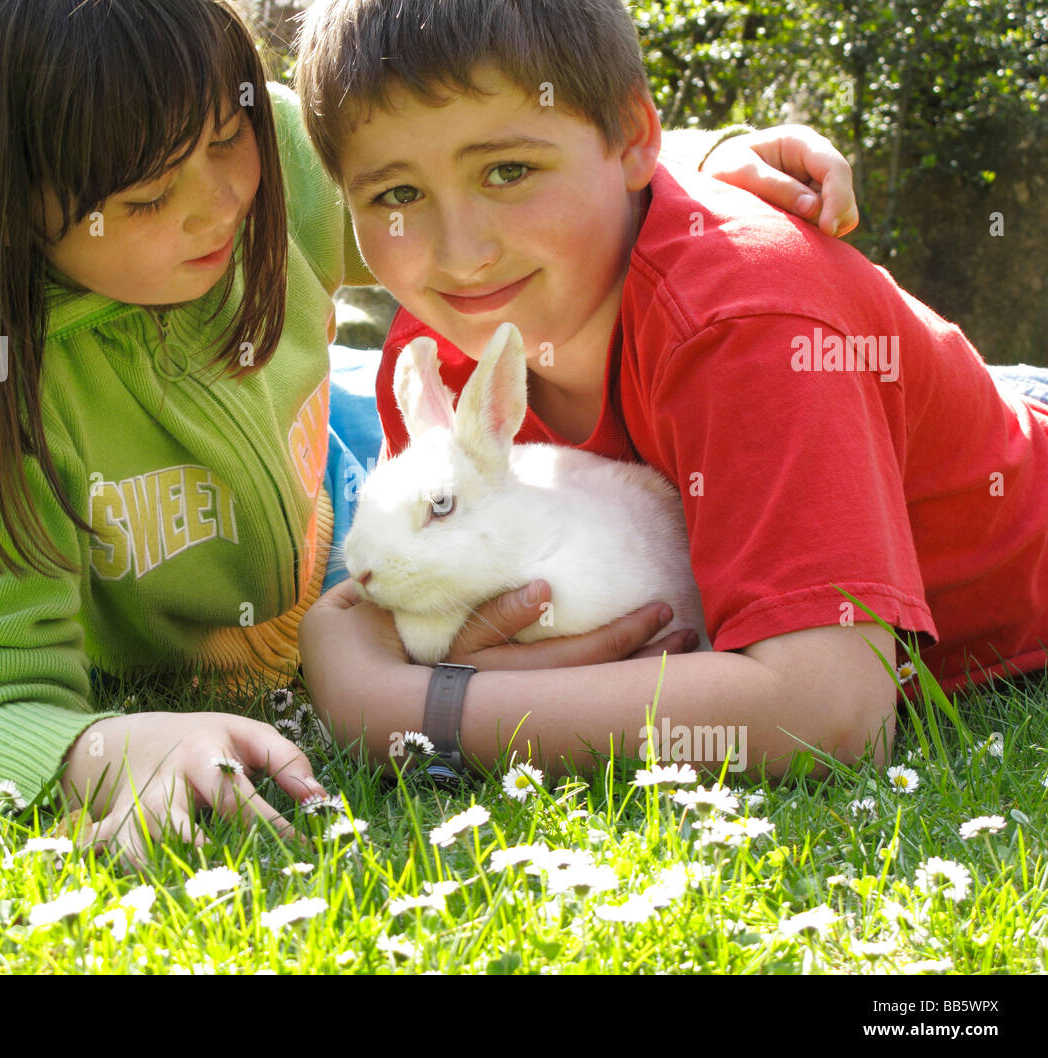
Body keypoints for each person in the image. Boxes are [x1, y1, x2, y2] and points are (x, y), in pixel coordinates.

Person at [0, 0, 863, 867]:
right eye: (147, 198)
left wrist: (695, 156)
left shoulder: (276, 156)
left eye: (222, 136)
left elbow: (473, 176)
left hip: (345, 491)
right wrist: (98, 750)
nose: (220, 204)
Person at [293, 0, 1048, 782]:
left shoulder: (753, 326)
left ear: (634, 140)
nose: (461, 255)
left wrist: (415, 712)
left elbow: (831, 710)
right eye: (397, 197)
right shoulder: (437, 347)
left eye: (508, 171)